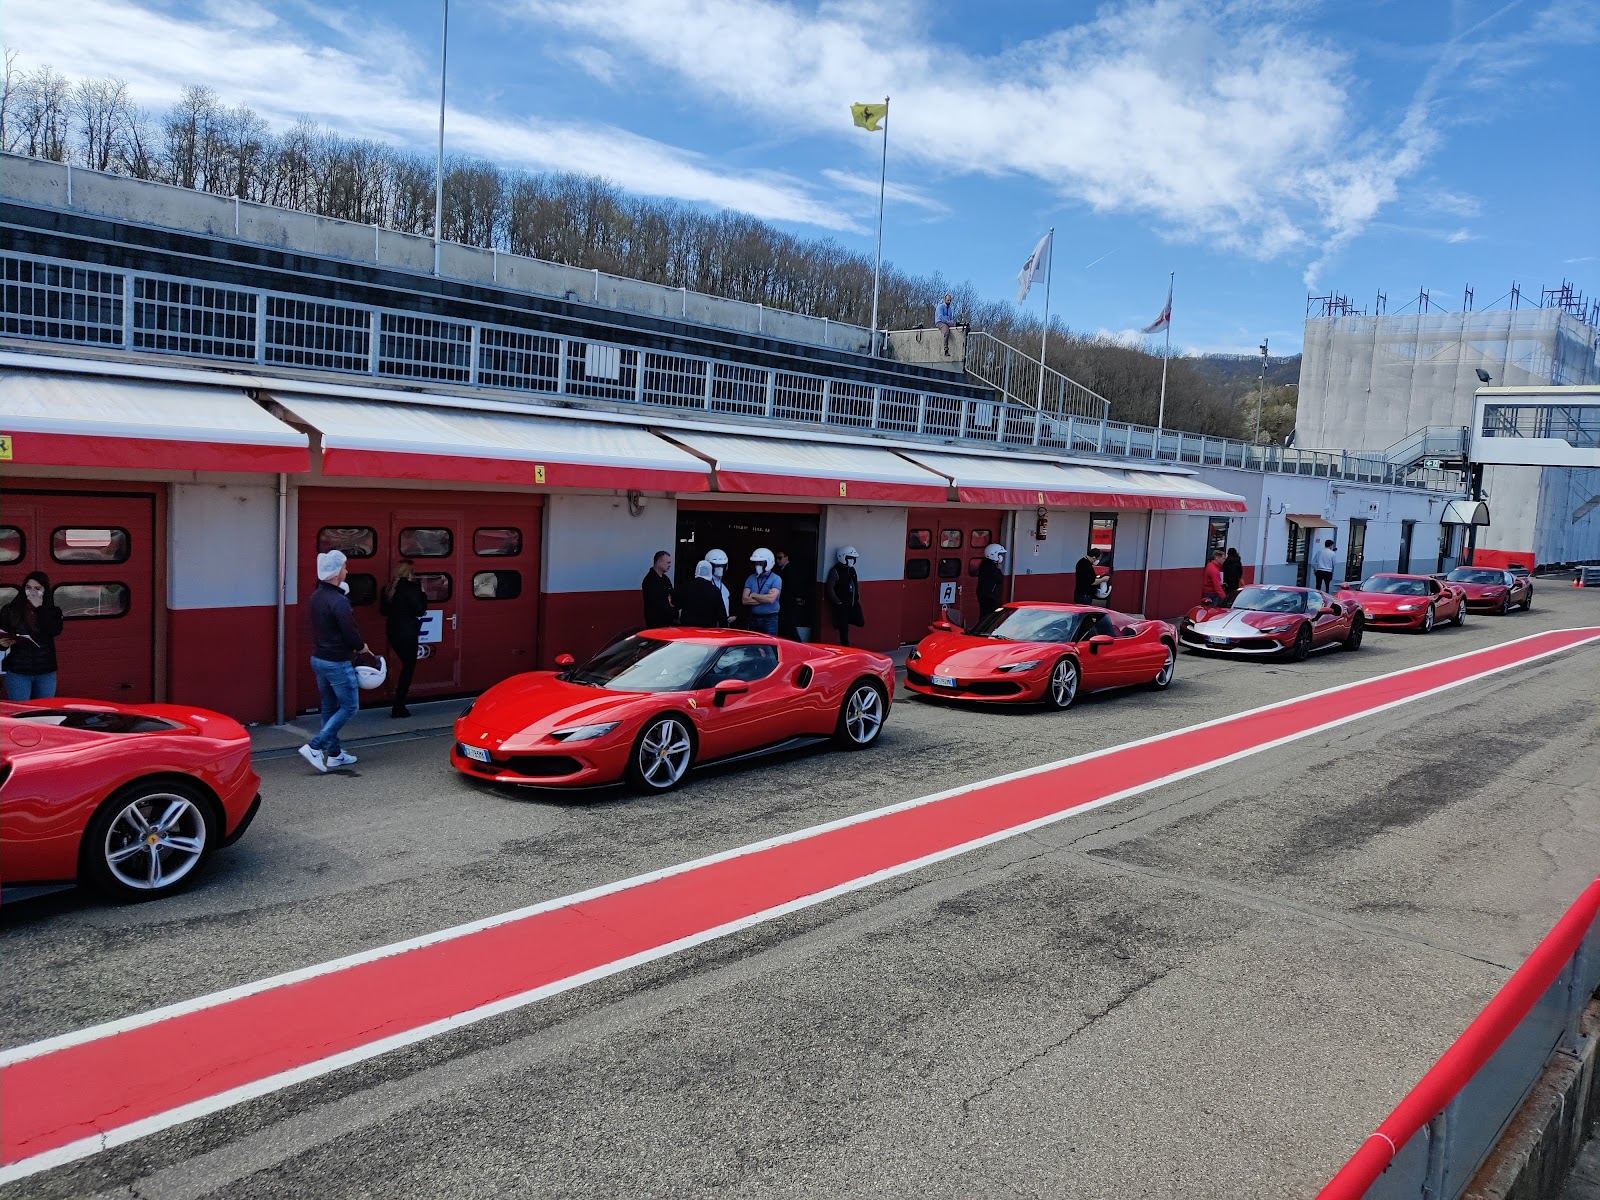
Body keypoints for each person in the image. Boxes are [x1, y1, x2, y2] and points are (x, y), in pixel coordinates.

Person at [301, 549, 371, 774]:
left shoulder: (316, 596)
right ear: (335, 573)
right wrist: (361, 646)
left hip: (319, 658)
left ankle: (334, 755)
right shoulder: (339, 601)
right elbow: (350, 631)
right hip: (337, 661)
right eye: (344, 567)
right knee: (350, 706)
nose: (347, 571)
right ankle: (315, 747)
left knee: (329, 707)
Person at [0, 571, 66, 700]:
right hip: (18, 670)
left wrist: (40, 609)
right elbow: (2, 634)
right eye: (28, 588)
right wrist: (2, 644)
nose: (32, 592)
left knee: (44, 710)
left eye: (37, 588)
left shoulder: (53, 611)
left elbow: (54, 630)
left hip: (45, 670)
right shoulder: (10, 610)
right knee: (21, 711)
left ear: (45, 591)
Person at [380, 559, 427, 719]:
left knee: (404, 666)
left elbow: (383, 611)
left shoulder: (387, 588)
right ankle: (399, 706)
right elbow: (420, 610)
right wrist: (423, 593)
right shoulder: (412, 588)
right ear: (409, 573)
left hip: (392, 631)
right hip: (408, 632)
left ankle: (398, 704)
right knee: (408, 668)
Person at [825, 546, 863, 646]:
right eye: (850, 558)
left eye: (853, 558)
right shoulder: (835, 571)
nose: (852, 561)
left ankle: (846, 621)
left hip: (853, 603)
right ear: (843, 557)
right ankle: (846, 648)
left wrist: (856, 598)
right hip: (842, 605)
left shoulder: (852, 570)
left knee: (860, 621)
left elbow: (855, 585)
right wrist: (838, 602)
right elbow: (830, 588)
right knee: (844, 630)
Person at [742, 547, 782, 635]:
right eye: (756, 563)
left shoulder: (776, 579)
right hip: (754, 618)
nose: (757, 565)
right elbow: (745, 600)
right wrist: (764, 599)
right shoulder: (751, 578)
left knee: (770, 645)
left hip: (770, 619)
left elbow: (771, 599)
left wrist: (753, 595)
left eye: (760, 563)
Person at [679, 560, 728, 627]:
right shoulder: (715, 591)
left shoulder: (685, 587)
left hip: (687, 630)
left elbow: (674, 604)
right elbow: (722, 616)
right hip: (708, 632)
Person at [774, 549, 806, 641]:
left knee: (788, 625)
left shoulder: (790, 570)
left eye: (780, 558)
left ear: (786, 557)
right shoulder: (783, 570)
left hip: (788, 602)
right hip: (785, 602)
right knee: (786, 626)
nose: (778, 561)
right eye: (776, 558)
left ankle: (796, 644)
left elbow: (791, 587)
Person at [641, 550, 676, 628]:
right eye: (668, 563)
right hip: (656, 624)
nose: (670, 565)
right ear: (659, 562)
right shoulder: (650, 581)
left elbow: (672, 596)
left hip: (668, 623)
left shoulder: (665, 579)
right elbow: (659, 603)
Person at [977, 543, 1007, 618]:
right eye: (999, 554)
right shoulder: (991, 567)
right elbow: (999, 579)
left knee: (984, 614)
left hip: (985, 594)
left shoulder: (985, 564)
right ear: (994, 554)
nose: (1001, 556)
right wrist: (999, 569)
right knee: (989, 616)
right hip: (989, 595)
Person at [705, 548, 731, 619]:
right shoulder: (706, 582)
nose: (720, 568)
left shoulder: (727, 583)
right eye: (717, 566)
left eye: (722, 566)